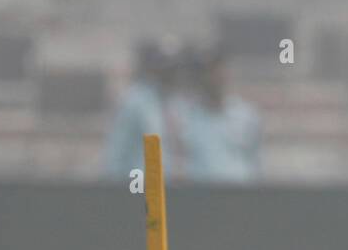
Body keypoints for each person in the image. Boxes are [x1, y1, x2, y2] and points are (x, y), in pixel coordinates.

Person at [173, 44, 262, 183]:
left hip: (240, 196)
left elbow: (255, 162)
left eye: (218, 69)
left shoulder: (246, 115)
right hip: (201, 196)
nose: (214, 77)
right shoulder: (184, 116)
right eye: (208, 71)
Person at [102, 39, 178, 179]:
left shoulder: (167, 101)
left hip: (161, 188)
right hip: (136, 186)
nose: (170, 73)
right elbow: (117, 150)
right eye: (163, 67)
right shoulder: (134, 102)